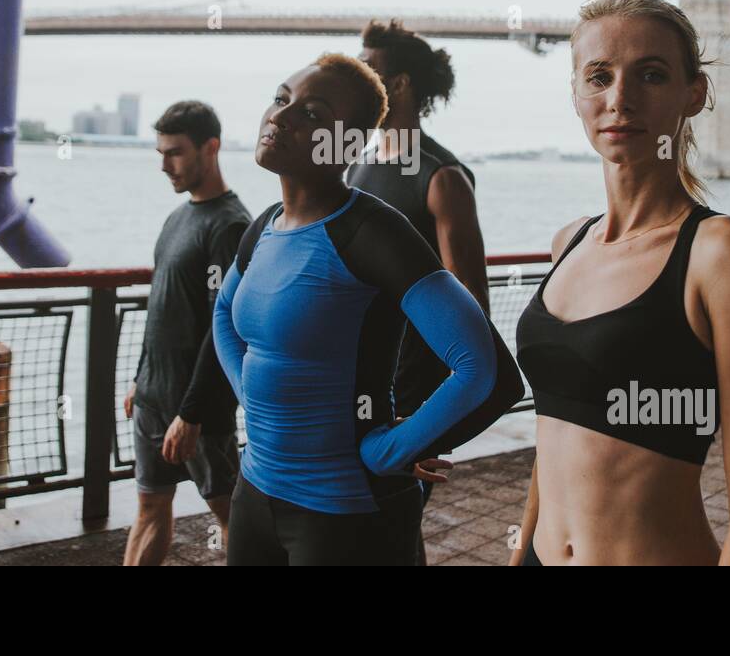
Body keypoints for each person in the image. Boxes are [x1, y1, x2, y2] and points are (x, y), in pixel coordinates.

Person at [511, 0, 730, 566]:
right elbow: (556, 429)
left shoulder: (723, 253)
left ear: (695, 93)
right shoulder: (569, 243)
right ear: (577, 95)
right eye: (598, 76)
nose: (619, 99)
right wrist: (519, 554)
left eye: (651, 75)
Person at [213, 54, 523, 566]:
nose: (280, 117)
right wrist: (250, 396)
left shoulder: (374, 233)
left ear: (349, 144)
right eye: (280, 98)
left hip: (345, 513)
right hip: (255, 493)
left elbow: (486, 370)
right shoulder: (264, 227)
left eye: (311, 113)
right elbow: (224, 315)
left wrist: (397, 448)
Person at [348, 19, 488, 565]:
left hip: (408, 403)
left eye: (370, 70)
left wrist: (432, 422)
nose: (357, 80)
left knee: (391, 534)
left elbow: (471, 310)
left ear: (400, 85)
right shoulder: (357, 164)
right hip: (353, 392)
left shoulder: (442, 177)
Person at [122, 101, 251, 566]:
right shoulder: (178, 219)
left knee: (232, 516)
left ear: (210, 147)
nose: (164, 165)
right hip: (154, 400)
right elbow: (164, 307)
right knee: (150, 507)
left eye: (174, 152)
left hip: (199, 412)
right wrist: (142, 377)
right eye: (160, 152)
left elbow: (226, 324)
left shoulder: (231, 226)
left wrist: (192, 413)